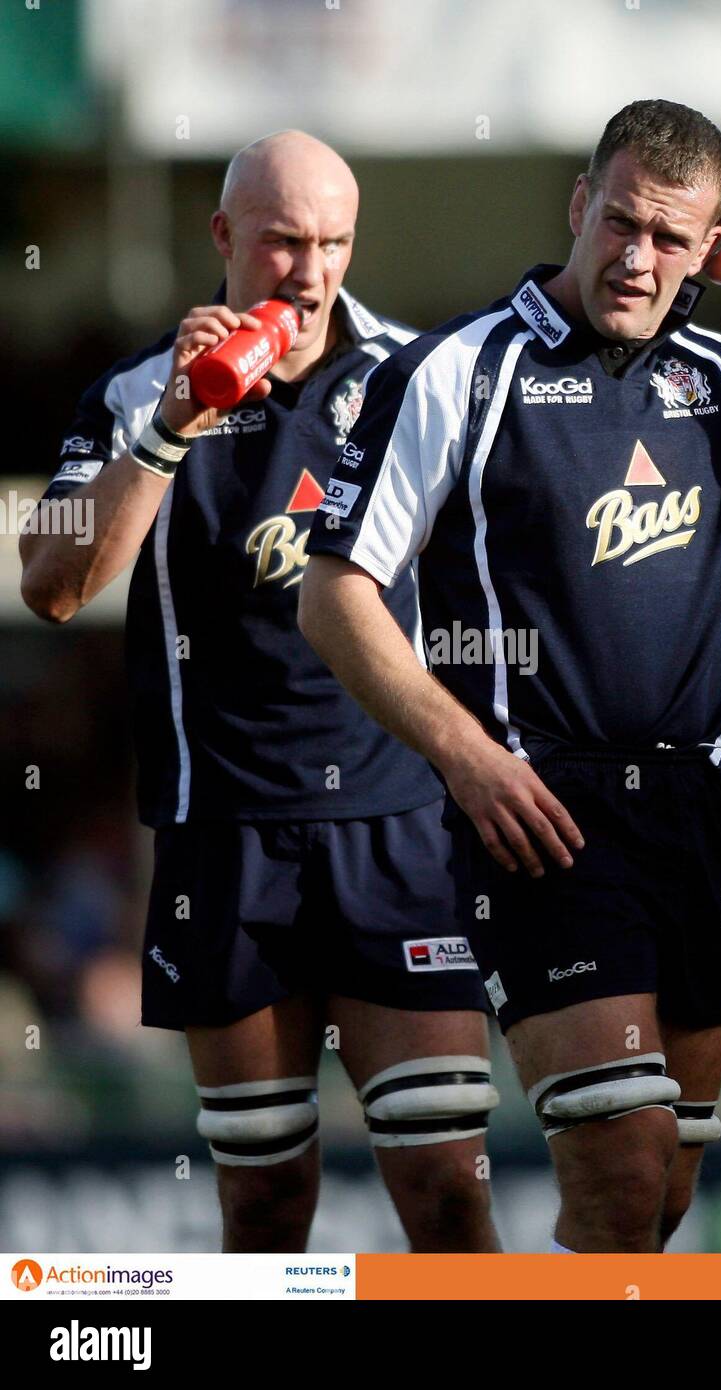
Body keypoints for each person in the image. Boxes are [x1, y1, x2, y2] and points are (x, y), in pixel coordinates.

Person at [298, 99, 721, 1253]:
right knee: (620, 1159)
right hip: (537, 812)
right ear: (578, 204)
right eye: (622, 222)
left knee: (657, 1201)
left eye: (670, 238)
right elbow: (333, 593)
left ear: (706, 252)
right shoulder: (456, 373)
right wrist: (464, 756)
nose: (637, 258)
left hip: (691, 814)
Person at [20, 130, 500, 1254]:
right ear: (224, 236)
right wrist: (175, 424)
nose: (310, 270)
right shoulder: (138, 391)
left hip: (395, 829)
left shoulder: (411, 377)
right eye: (283, 241)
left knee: (446, 1187)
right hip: (222, 836)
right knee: (267, 1203)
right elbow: (50, 582)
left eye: (332, 242)